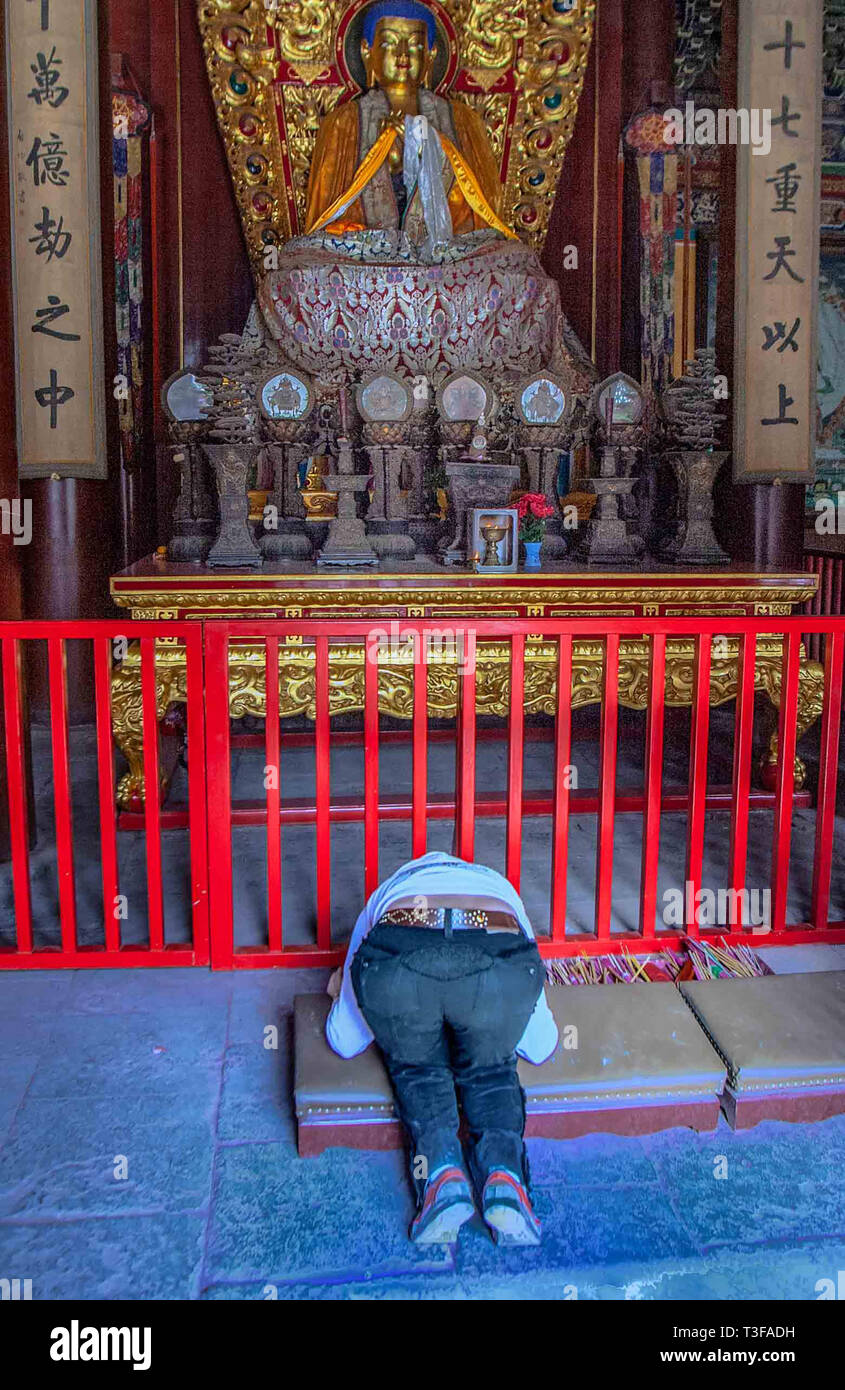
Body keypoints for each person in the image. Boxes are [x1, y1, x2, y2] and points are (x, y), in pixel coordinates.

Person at [326, 851, 558, 1246]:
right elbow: (541, 1046)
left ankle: (442, 1180)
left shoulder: (385, 895)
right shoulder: (503, 891)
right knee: (491, 1068)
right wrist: (481, 1033)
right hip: (495, 964)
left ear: (412, 872)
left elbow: (344, 1041)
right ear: (471, 872)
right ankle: (505, 1180)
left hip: (398, 963)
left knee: (416, 1066)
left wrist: (338, 989)